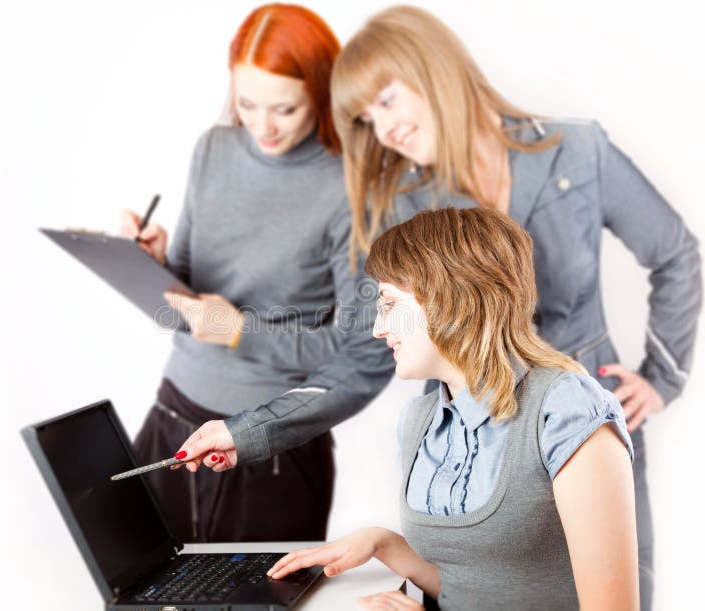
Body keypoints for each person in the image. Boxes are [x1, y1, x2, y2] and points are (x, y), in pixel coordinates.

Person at [319, 6, 700, 608]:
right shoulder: (405, 211)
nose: (383, 129)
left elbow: (676, 254)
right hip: (478, 422)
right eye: (367, 120)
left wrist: (662, 377)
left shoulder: (577, 151)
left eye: (387, 100)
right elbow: (351, 339)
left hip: (573, 417)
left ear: (434, 70)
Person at [268, 207, 639, 611]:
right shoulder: (420, 422)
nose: (378, 328)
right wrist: (382, 542)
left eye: (389, 304)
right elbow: (476, 586)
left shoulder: (567, 410)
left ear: (450, 299)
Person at [118, 3, 391, 542]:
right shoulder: (213, 149)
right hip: (173, 420)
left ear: (320, 93)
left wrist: (242, 331)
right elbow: (185, 309)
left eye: (284, 109)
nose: (262, 126)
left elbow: (363, 349)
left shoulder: (351, 188)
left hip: (270, 447)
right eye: (247, 103)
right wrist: (153, 267)